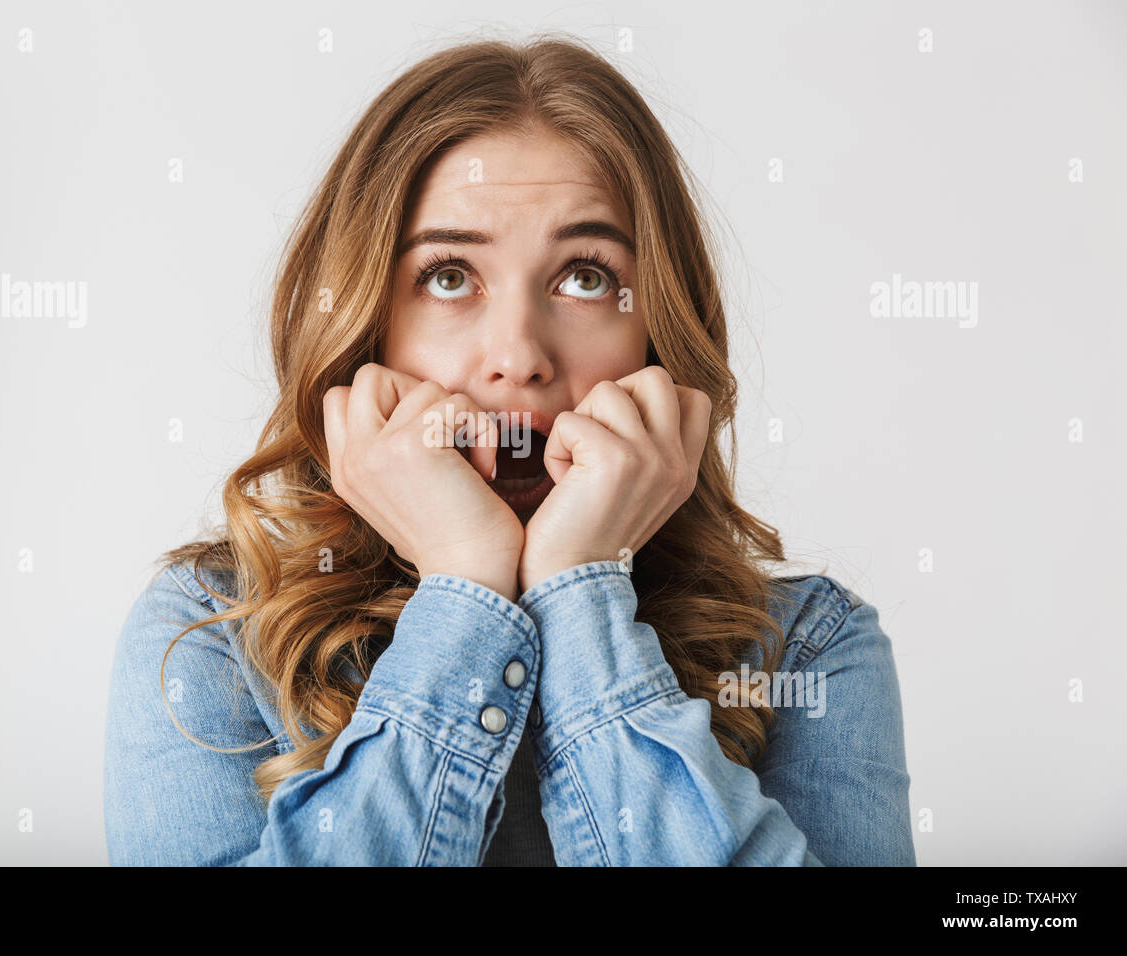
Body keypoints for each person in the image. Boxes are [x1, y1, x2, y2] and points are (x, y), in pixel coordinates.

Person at [103, 35, 915, 866]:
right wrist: (463, 584)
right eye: (450, 275)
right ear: (363, 327)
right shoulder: (209, 637)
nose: (519, 353)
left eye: (586, 277)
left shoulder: (810, 648)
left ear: (657, 336)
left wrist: (580, 591)